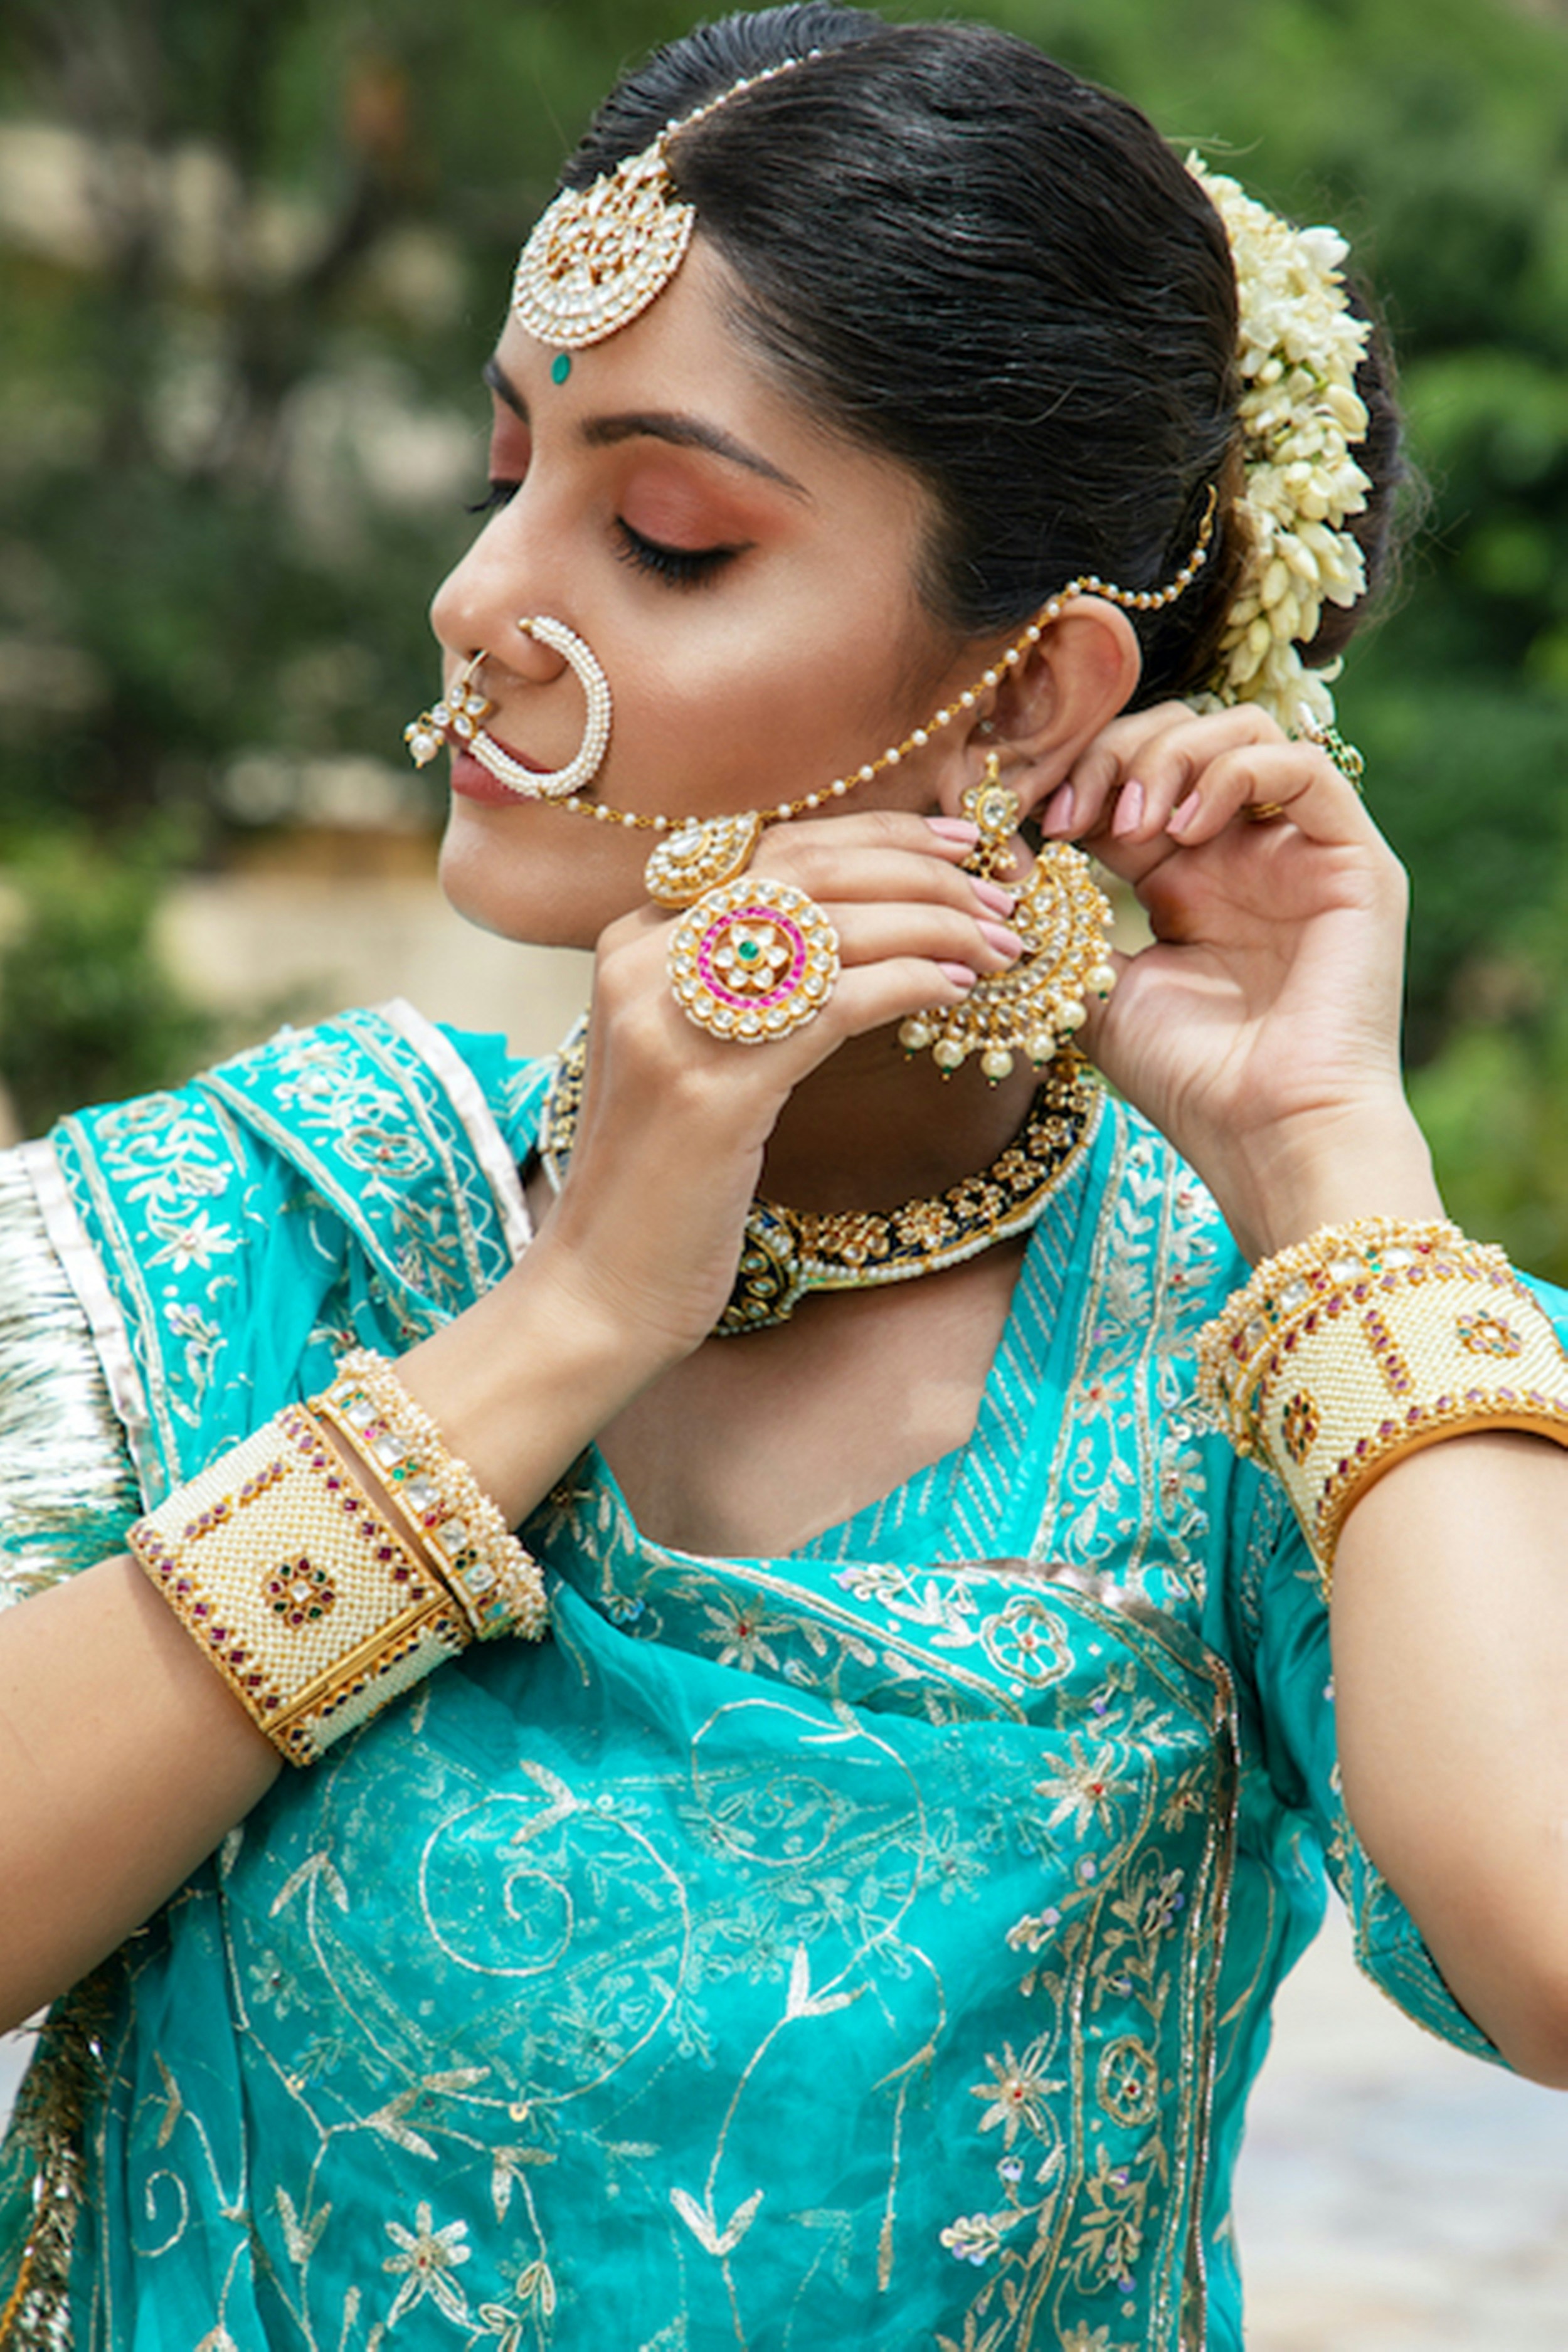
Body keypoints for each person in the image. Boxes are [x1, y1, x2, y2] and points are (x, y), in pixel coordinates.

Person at [3, 8, 1568, 2347]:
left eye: (661, 534)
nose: (480, 601)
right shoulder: (255, 1221)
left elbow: (1542, 1951)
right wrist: (562, 1327)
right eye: (496, 474)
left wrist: (1327, 1156)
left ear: (1034, 697)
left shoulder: (1258, 1354)